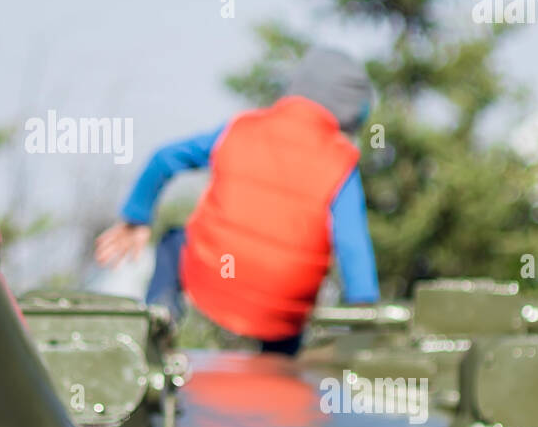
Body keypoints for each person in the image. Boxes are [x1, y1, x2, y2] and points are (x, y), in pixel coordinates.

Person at [94, 46, 379, 356]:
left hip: (213, 275)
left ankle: (160, 323)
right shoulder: (340, 161)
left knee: (173, 243)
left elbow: (164, 159)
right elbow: (354, 246)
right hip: (281, 310)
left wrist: (136, 217)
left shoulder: (240, 129)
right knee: (290, 292)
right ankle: (278, 366)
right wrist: (364, 310)